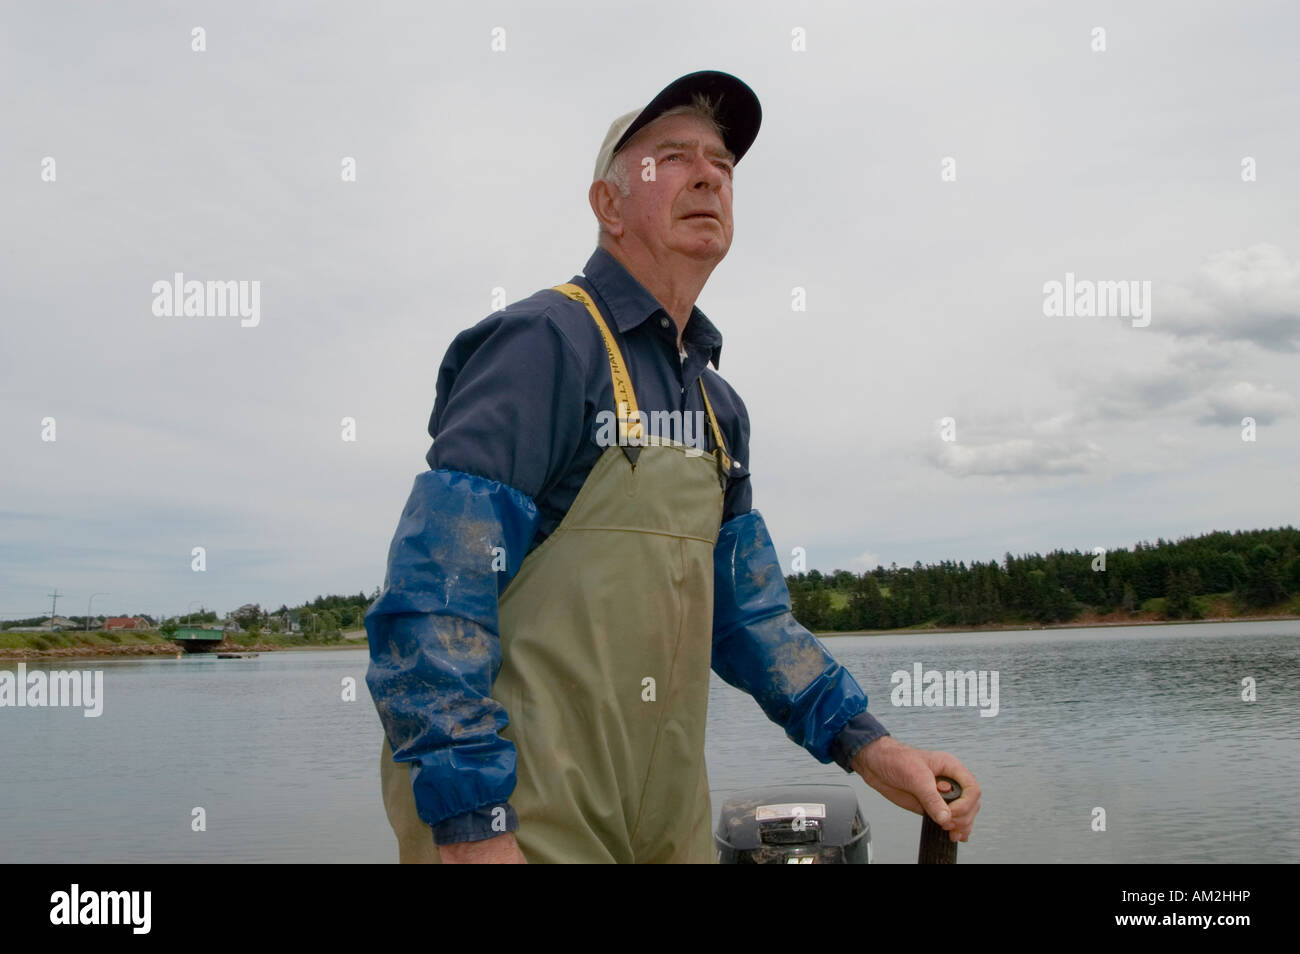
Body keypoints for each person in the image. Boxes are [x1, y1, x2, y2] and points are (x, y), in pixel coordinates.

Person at [365, 70, 981, 864]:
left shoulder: (720, 412)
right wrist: (472, 828)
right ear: (609, 205)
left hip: (666, 829)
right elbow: (435, 598)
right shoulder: (545, 346)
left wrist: (872, 747)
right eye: (673, 158)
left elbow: (751, 621)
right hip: (526, 825)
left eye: (722, 166)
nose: (707, 176)